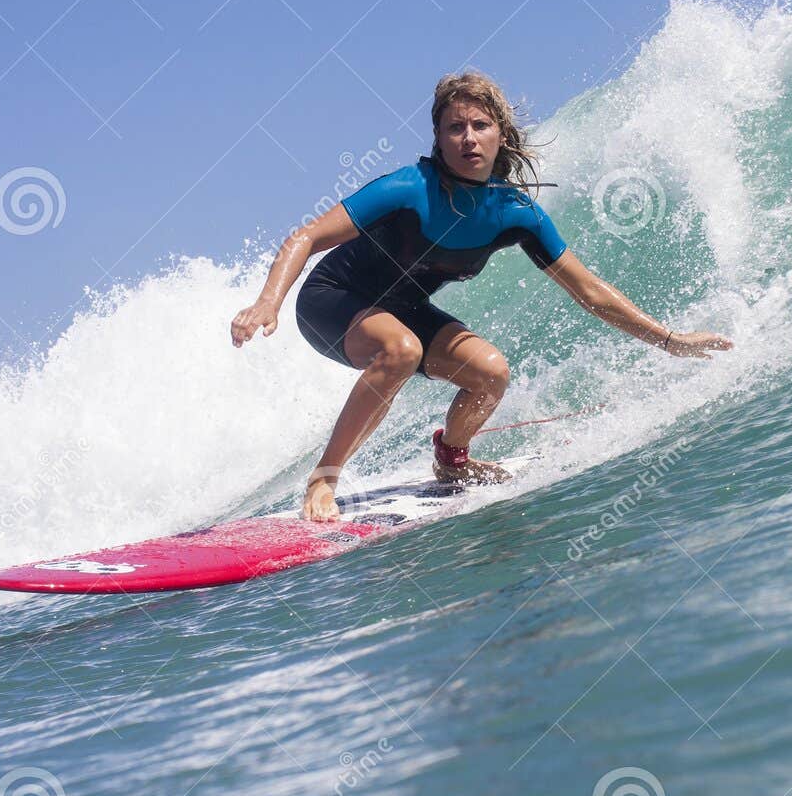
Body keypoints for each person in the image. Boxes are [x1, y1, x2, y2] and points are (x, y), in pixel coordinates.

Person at [230, 70, 733, 521]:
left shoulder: (515, 213)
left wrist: (671, 340)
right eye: (455, 128)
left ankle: (451, 461)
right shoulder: (409, 187)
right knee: (400, 349)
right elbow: (307, 237)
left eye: (480, 125)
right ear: (440, 140)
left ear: (501, 135)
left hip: (402, 309)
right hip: (332, 299)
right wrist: (267, 303)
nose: (468, 138)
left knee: (491, 373)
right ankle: (324, 479)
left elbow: (590, 292)